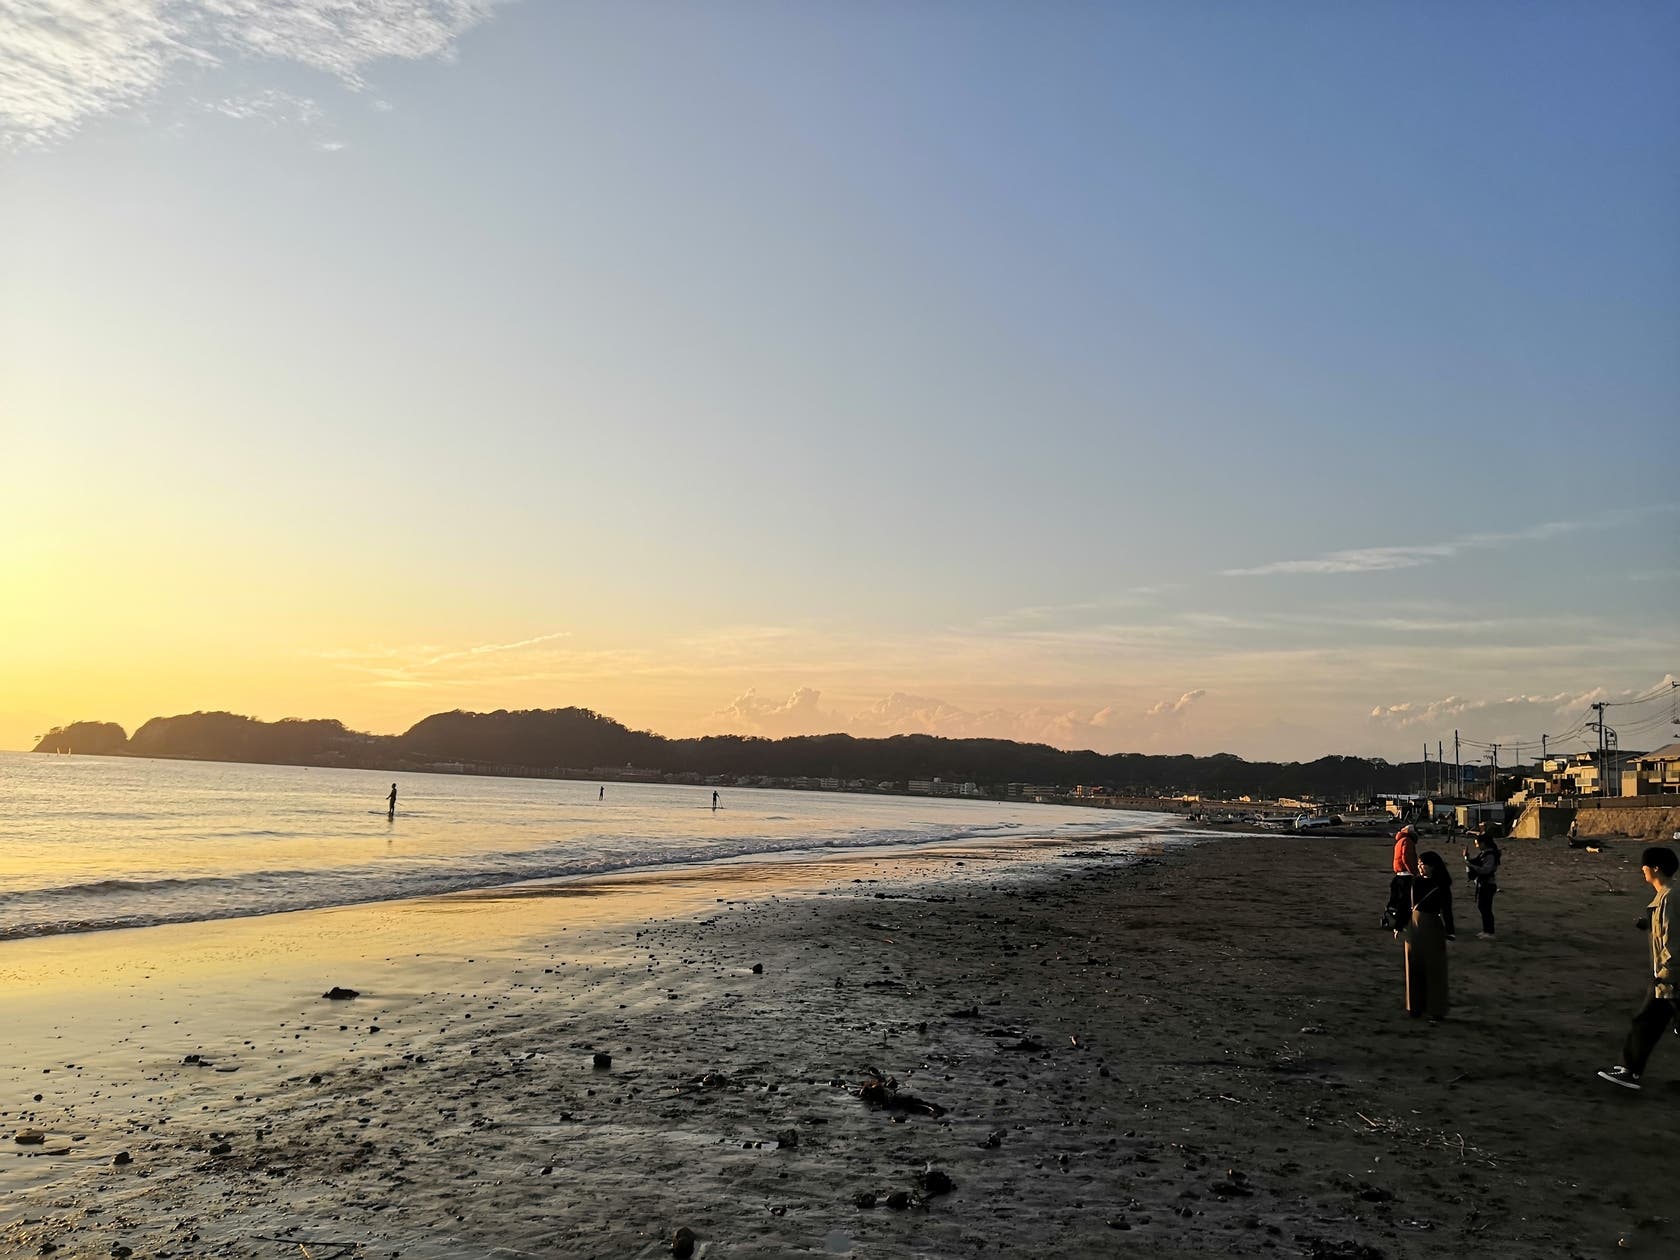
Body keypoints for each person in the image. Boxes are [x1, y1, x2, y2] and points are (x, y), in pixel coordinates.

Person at [1596, 846, 1677, 1091]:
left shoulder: (1669, 898)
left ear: (1655, 868)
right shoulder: (1669, 895)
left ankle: (1628, 1072)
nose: (1641, 870)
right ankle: (1628, 1070)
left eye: (1644, 866)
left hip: (1671, 975)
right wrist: (1649, 926)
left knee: (1645, 1021)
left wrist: (1666, 974)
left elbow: (1673, 940)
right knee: (1649, 1022)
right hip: (1671, 973)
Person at [1402, 850, 1455, 1022]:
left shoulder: (1442, 885)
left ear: (1433, 866)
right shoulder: (1415, 882)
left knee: (1434, 968)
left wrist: (1450, 931)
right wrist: (1399, 925)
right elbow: (1405, 905)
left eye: (1422, 864)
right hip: (1414, 926)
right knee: (1413, 966)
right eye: (1418, 863)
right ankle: (1415, 1007)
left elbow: (1447, 910)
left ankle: (1436, 1009)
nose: (1419, 866)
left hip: (1433, 925)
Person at [1463, 833, 1502, 938]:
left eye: (1477, 844)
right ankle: (1486, 930)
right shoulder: (1484, 854)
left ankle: (1489, 932)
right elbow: (1473, 863)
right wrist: (1467, 858)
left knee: (1485, 908)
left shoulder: (1490, 855)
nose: (1477, 846)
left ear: (1483, 843)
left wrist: (1470, 865)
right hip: (1483, 884)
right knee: (1483, 907)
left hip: (1487, 885)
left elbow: (1485, 870)